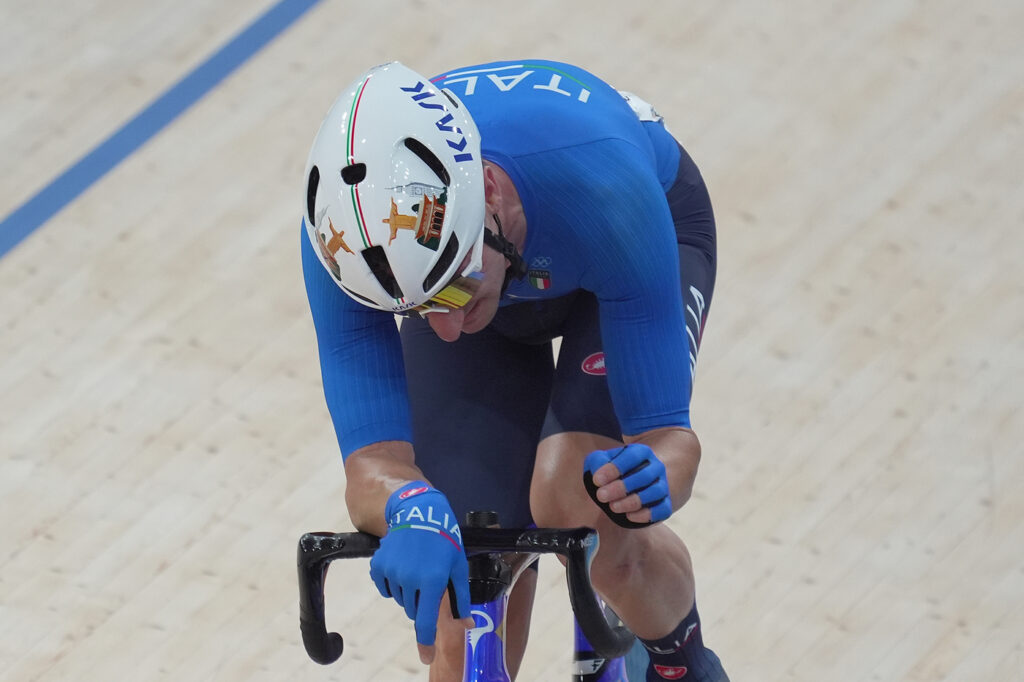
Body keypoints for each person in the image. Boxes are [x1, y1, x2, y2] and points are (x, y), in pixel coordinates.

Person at [300, 60, 728, 681]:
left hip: (619, 233)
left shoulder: (606, 186)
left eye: (447, 294)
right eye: (415, 311)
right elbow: (372, 466)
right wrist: (408, 505)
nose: (445, 328)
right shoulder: (345, 242)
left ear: (490, 198)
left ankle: (679, 662)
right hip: (499, 263)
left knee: (576, 506)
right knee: (464, 583)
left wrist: (652, 476)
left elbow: (669, 439)